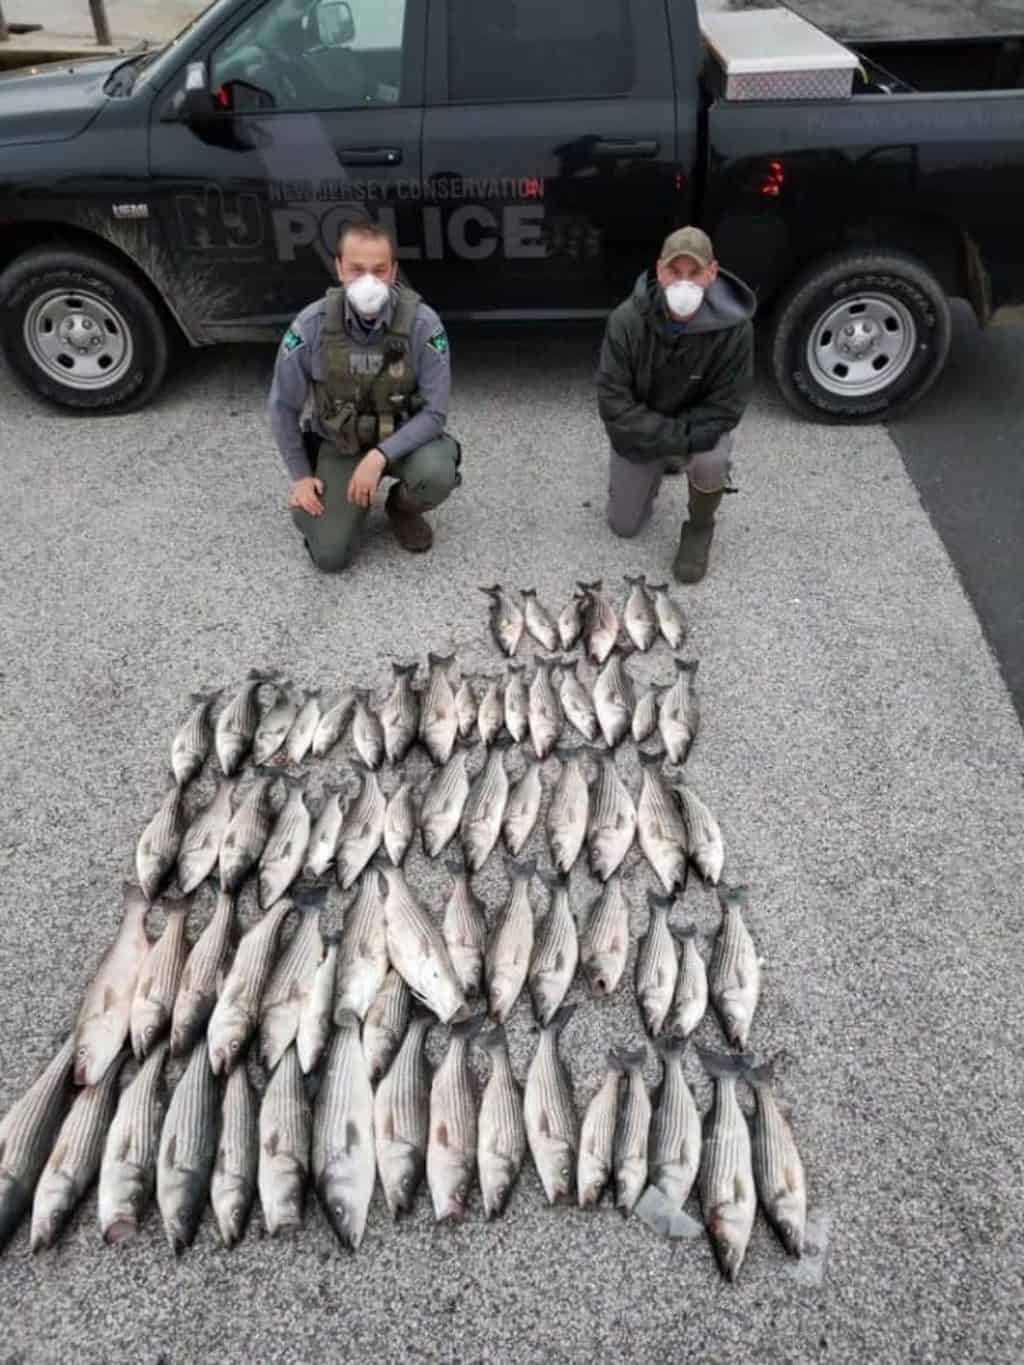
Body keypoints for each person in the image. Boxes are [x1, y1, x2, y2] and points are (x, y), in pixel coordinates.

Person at [268, 218, 461, 572]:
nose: (368, 281)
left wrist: (377, 457)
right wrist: (301, 476)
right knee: (329, 556)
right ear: (339, 268)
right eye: (357, 269)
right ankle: (338, 498)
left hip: (401, 440)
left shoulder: (423, 325)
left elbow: (435, 413)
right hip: (340, 445)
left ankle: (400, 508)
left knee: (436, 473)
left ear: (393, 272)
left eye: (379, 270)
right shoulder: (310, 326)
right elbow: (282, 407)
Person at [596, 226, 756, 583]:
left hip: (689, 430)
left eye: (694, 273)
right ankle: (659, 464)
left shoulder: (736, 330)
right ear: (659, 270)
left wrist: (681, 437)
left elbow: (727, 406)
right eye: (674, 271)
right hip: (647, 431)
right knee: (623, 525)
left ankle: (700, 526)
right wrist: (675, 437)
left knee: (712, 457)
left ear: (712, 273)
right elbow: (613, 403)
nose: (684, 283)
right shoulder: (625, 321)